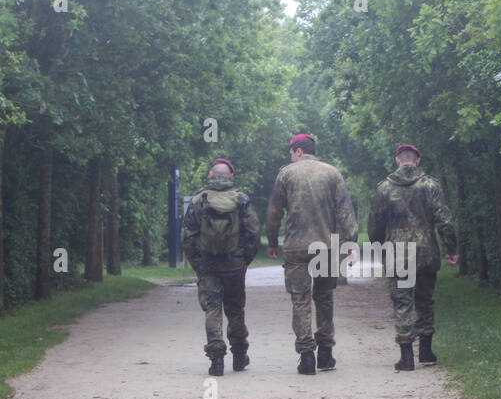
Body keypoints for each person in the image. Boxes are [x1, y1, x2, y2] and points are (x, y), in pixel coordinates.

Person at [265, 134, 358, 375]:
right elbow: (346, 212)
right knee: (324, 299)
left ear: (297, 151)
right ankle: (325, 354)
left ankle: (307, 357)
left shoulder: (286, 174)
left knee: (301, 300)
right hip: (326, 247)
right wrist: (350, 243)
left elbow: (274, 212)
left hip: (296, 247)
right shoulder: (332, 173)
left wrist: (273, 241)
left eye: (290, 152)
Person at [367, 143, 458, 371]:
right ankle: (426, 351)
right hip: (426, 252)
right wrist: (451, 249)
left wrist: (379, 249)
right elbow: (445, 221)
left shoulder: (384, 188)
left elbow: (375, 224)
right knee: (425, 301)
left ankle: (406, 356)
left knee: (402, 302)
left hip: (398, 254)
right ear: (416, 160)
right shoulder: (430, 185)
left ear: (398, 160)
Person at [181, 158, 260, 377]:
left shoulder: (199, 201)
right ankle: (239, 355)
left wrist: (198, 264)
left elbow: (187, 236)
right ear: (231, 177)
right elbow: (253, 233)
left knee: (212, 309)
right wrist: (245, 260)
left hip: (208, 266)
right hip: (234, 265)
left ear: (211, 175)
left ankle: (216, 359)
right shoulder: (242, 200)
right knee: (235, 309)